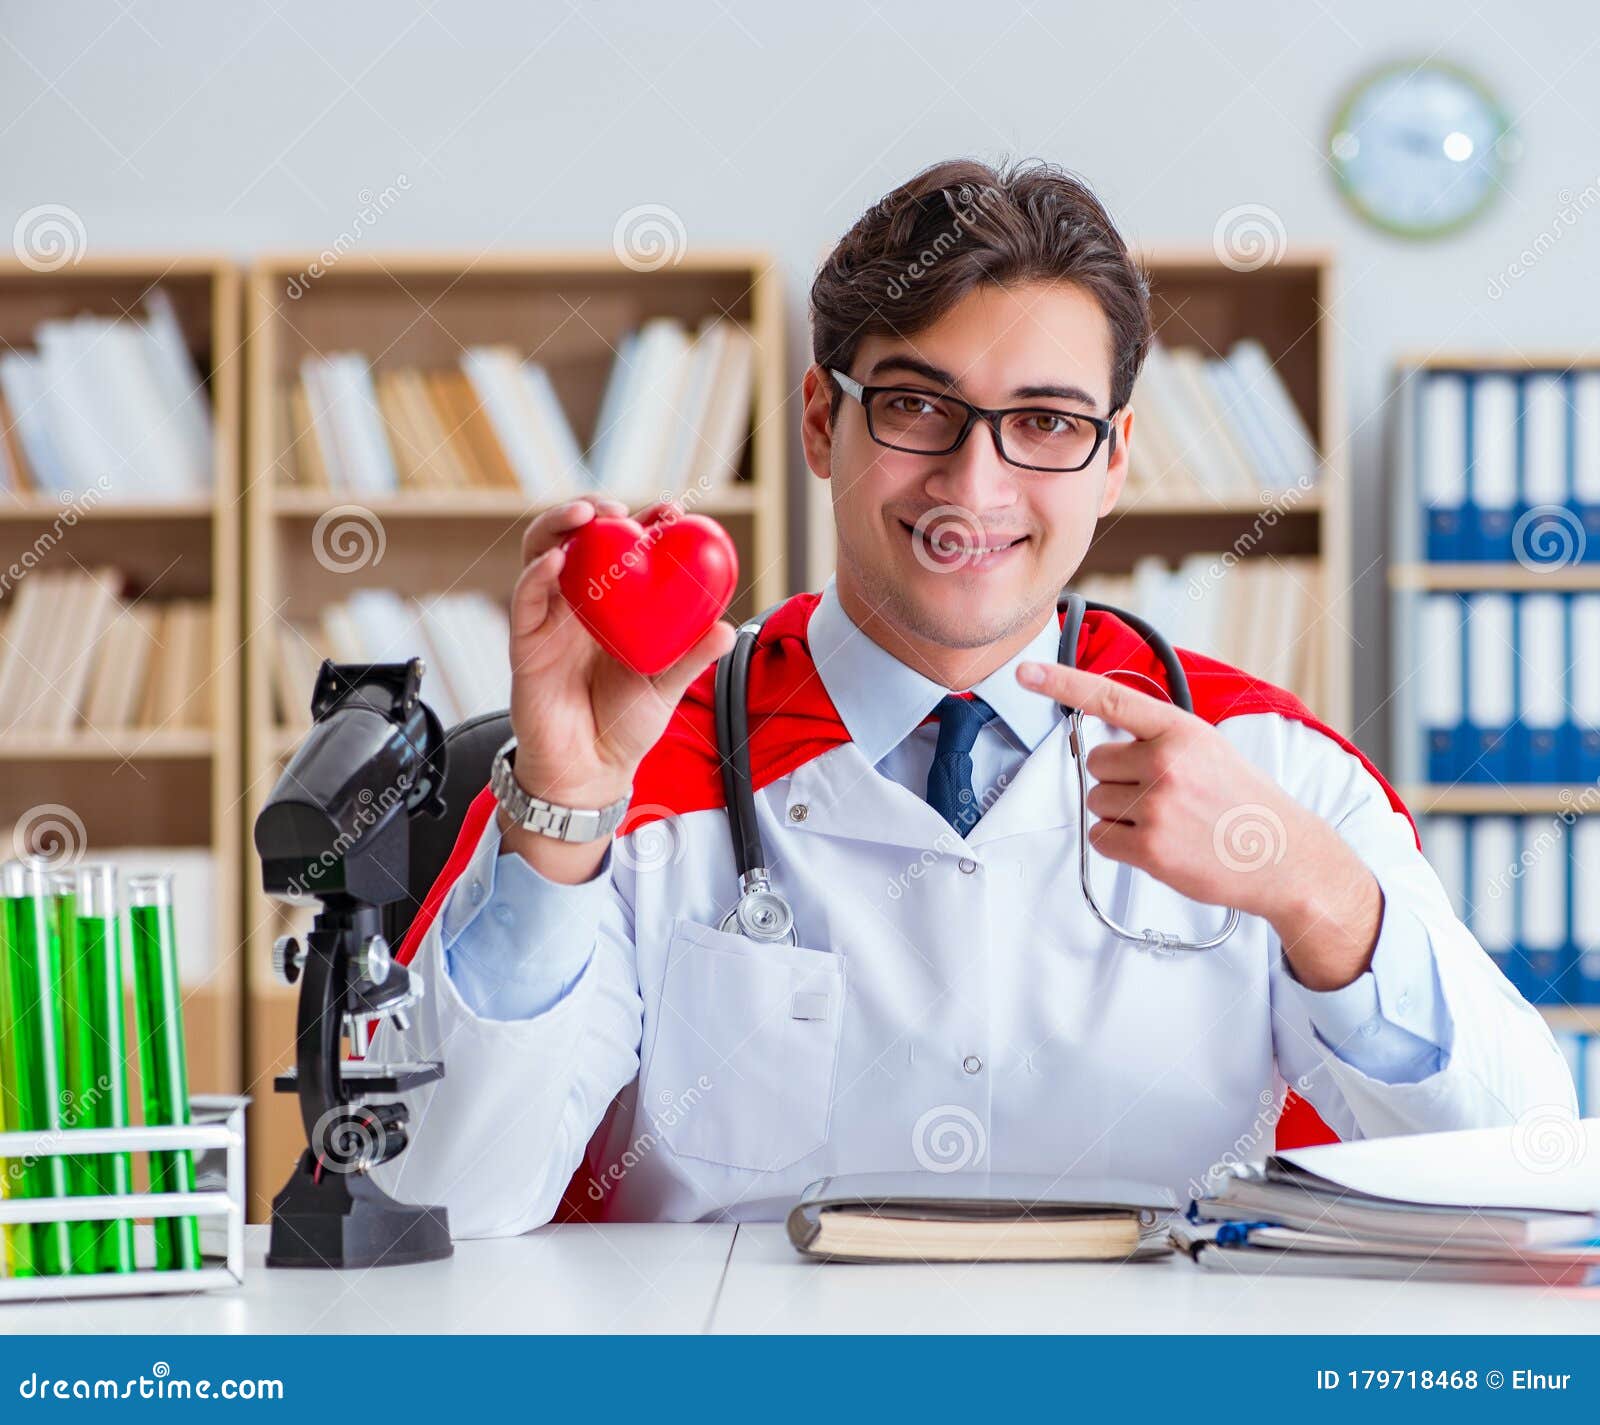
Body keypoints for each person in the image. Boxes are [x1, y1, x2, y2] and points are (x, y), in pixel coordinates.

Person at [372, 157, 1575, 1236]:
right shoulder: (642, 771)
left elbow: (1522, 1169)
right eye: (914, 405)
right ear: (818, 422)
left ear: (1111, 463)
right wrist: (563, 809)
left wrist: (1316, 899)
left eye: (1045, 422)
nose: (974, 479)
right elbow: (435, 1200)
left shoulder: (1270, 766)